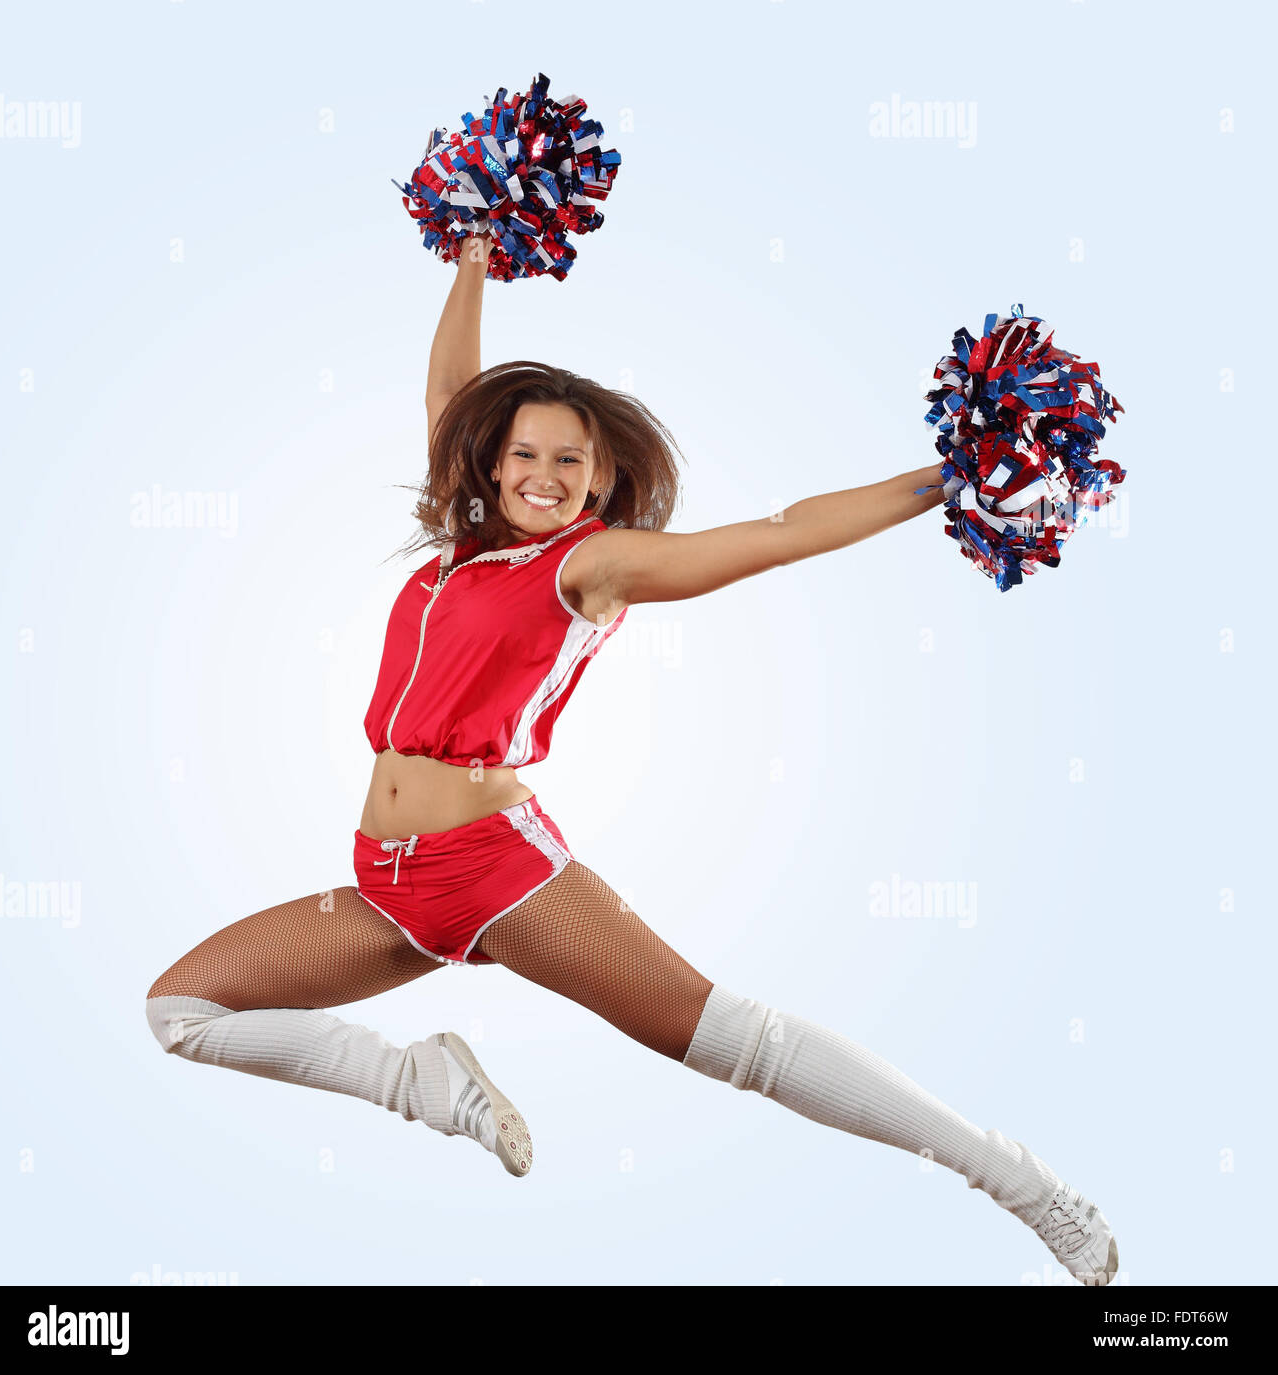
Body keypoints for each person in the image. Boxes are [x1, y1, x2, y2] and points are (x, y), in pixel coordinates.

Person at [145, 234, 1118, 1285]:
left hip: (491, 866)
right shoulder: (462, 549)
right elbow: (450, 389)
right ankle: (422, 1083)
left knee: (733, 1043)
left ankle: (1020, 1181)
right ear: (489, 461)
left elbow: (781, 530)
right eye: (524, 454)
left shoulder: (590, 564)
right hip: (387, 884)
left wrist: (949, 475)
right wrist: (473, 248)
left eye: (571, 460)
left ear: (602, 476)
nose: (545, 476)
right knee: (181, 1011)